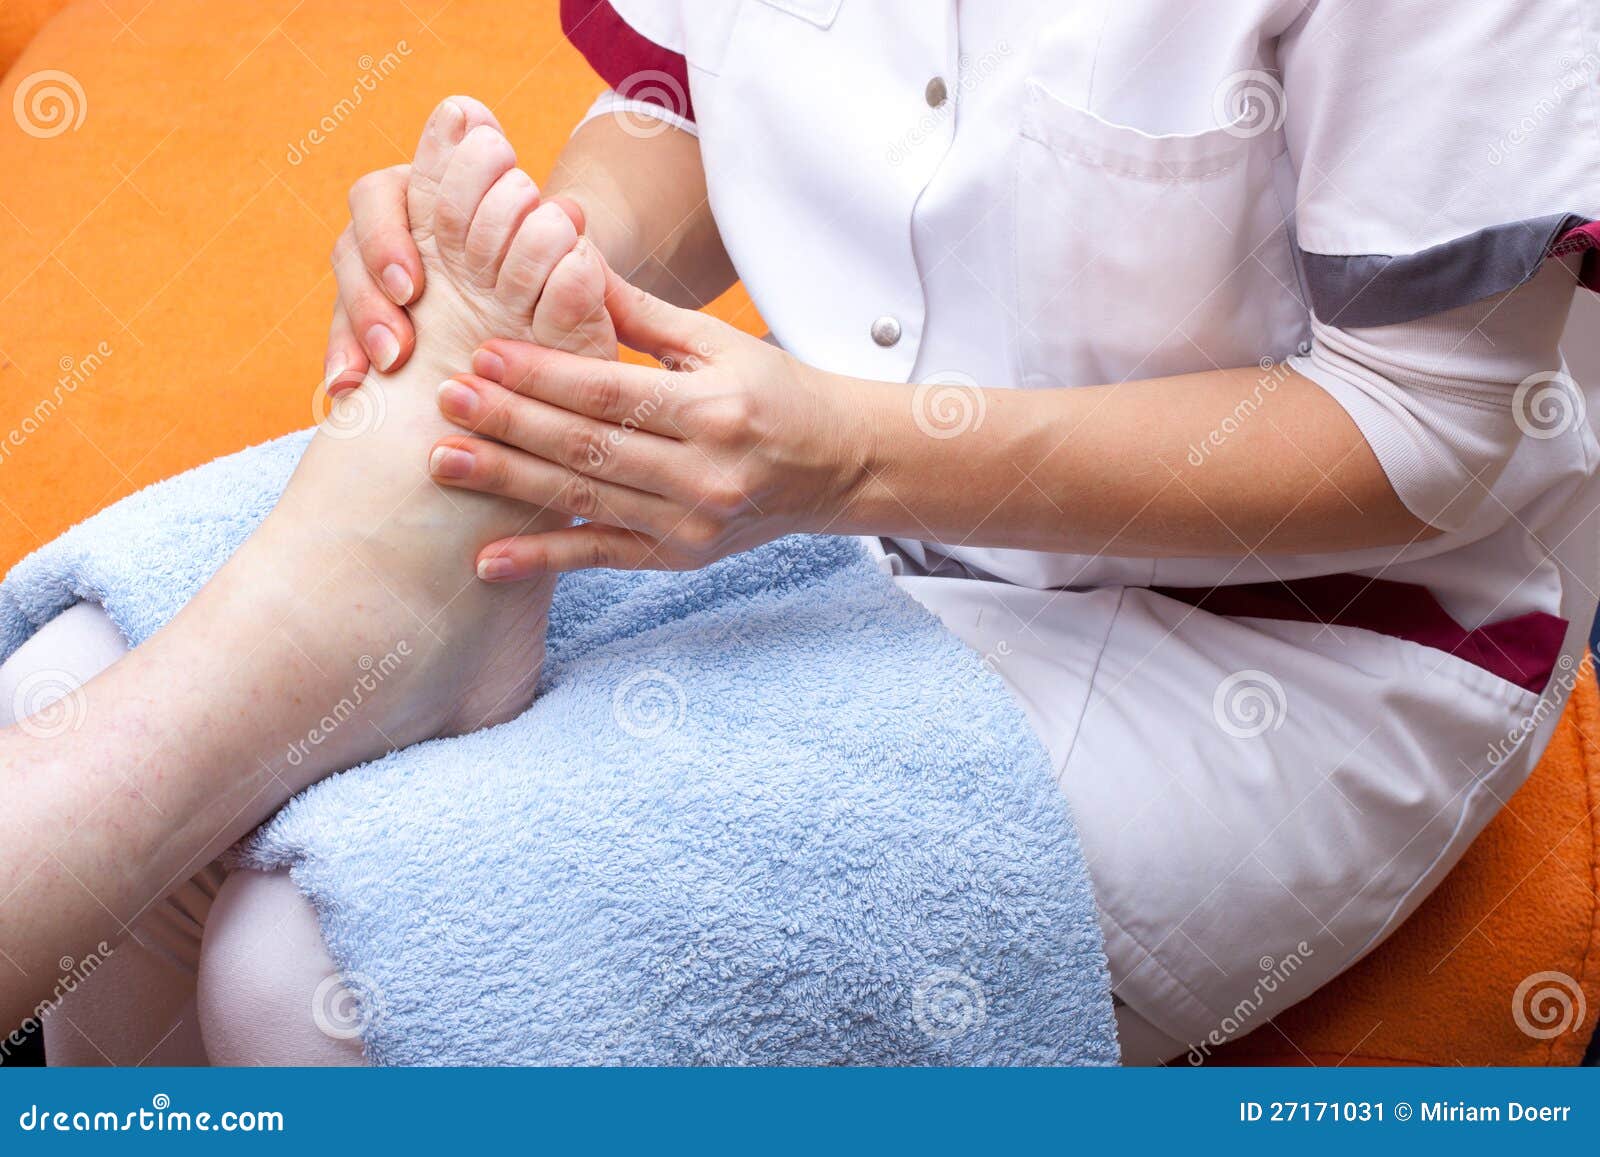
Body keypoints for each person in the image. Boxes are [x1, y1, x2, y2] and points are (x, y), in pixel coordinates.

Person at [6, 0, 1600, 1064]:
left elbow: (1438, 431)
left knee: (319, 978)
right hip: (817, 480)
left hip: (1282, 647)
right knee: (63, 674)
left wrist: (850, 463)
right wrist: (563, 271)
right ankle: (312, 641)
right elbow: (689, 95)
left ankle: (317, 638)